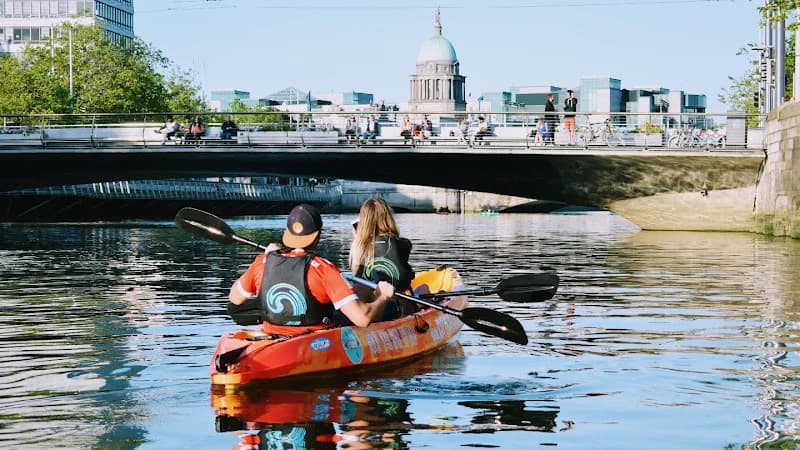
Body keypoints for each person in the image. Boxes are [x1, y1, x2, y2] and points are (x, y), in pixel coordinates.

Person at [228, 203, 396, 334]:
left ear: (288, 233)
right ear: (318, 236)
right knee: (389, 308)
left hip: (274, 335)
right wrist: (383, 297)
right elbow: (362, 319)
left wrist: (270, 256)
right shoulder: (324, 269)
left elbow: (235, 299)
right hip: (316, 339)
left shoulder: (262, 262)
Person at [349, 198, 415, 321]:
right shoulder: (404, 244)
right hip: (394, 308)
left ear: (363, 221)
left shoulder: (357, 246)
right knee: (423, 288)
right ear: (388, 217)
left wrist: (357, 236)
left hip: (368, 309)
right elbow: (406, 276)